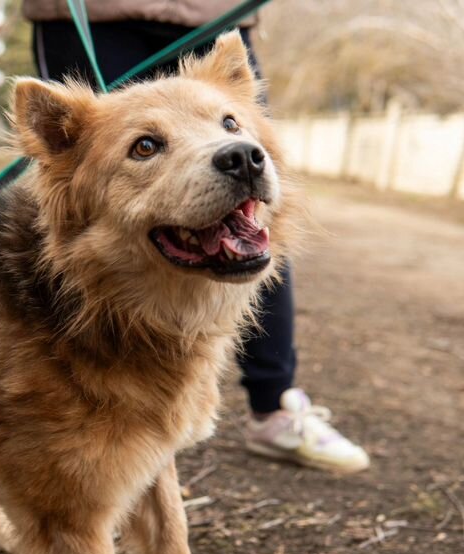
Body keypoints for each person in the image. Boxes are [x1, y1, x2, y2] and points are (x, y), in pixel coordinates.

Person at [21, 0, 370, 473]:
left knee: (250, 226)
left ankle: (276, 405)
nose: (236, 150)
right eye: (147, 146)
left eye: (230, 126)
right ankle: (56, 425)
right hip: (93, 11)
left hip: (213, 8)